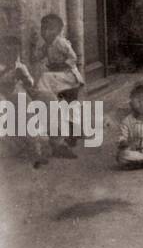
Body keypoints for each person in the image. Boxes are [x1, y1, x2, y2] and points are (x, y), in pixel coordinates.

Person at [34, 13, 84, 155]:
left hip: (68, 76)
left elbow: (73, 57)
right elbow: (37, 57)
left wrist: (62, 65)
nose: (45, 32)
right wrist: (33, 47)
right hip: (59, 79)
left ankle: (73, 134)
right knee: (65, 106)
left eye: (50, 29)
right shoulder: (47, 46)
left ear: (58, 31)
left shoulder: (60, 43)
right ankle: (71, 132)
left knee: (70, 105)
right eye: (43, 29)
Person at [1, 35, 49, 168]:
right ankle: (20, 146)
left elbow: (30, 83)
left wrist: (24, 78)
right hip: (2, 96)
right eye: (8, 52)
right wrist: (5, 74)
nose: (12, 56)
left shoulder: (19, 66)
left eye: (15, 52)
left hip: (15, 95)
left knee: (26, 105)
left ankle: (35, 149)